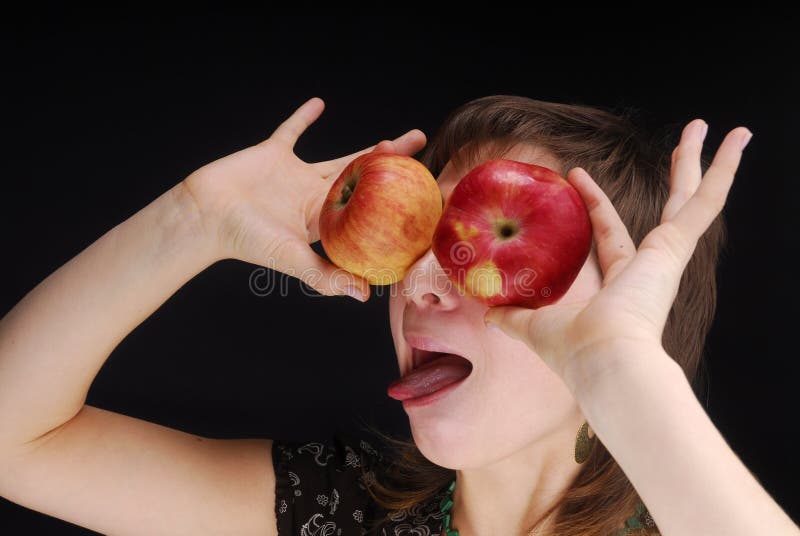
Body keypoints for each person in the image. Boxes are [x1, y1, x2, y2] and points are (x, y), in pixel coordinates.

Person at [0, 95, 795, 536]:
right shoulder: (338, 510)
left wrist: (616, 363)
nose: (417, 283)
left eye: (497, 244)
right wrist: (193, 219)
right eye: (422, 237)